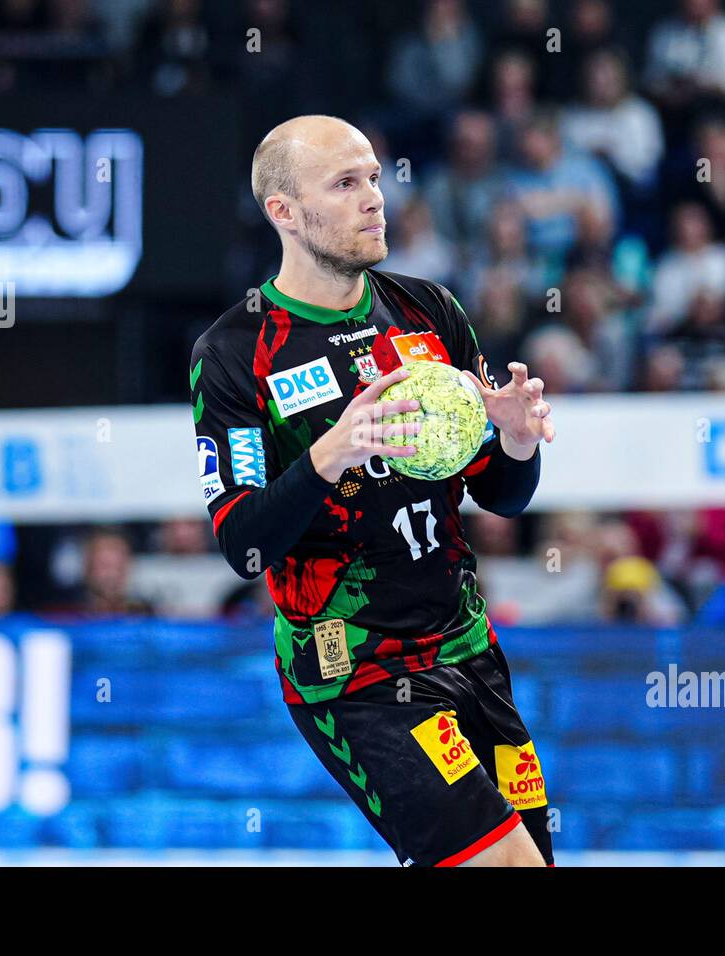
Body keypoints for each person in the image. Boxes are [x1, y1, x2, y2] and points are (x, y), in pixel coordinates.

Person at [190, 115, 556, 867]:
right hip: (355, 672)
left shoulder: (429, 312)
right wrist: (332, 451)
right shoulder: (234, 352)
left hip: (468, 647)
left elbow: (500, 496)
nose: (374, 200)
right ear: (284, 212)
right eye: (345, 183)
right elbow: (244, 544)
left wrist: (515, 439)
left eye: (374, 179)